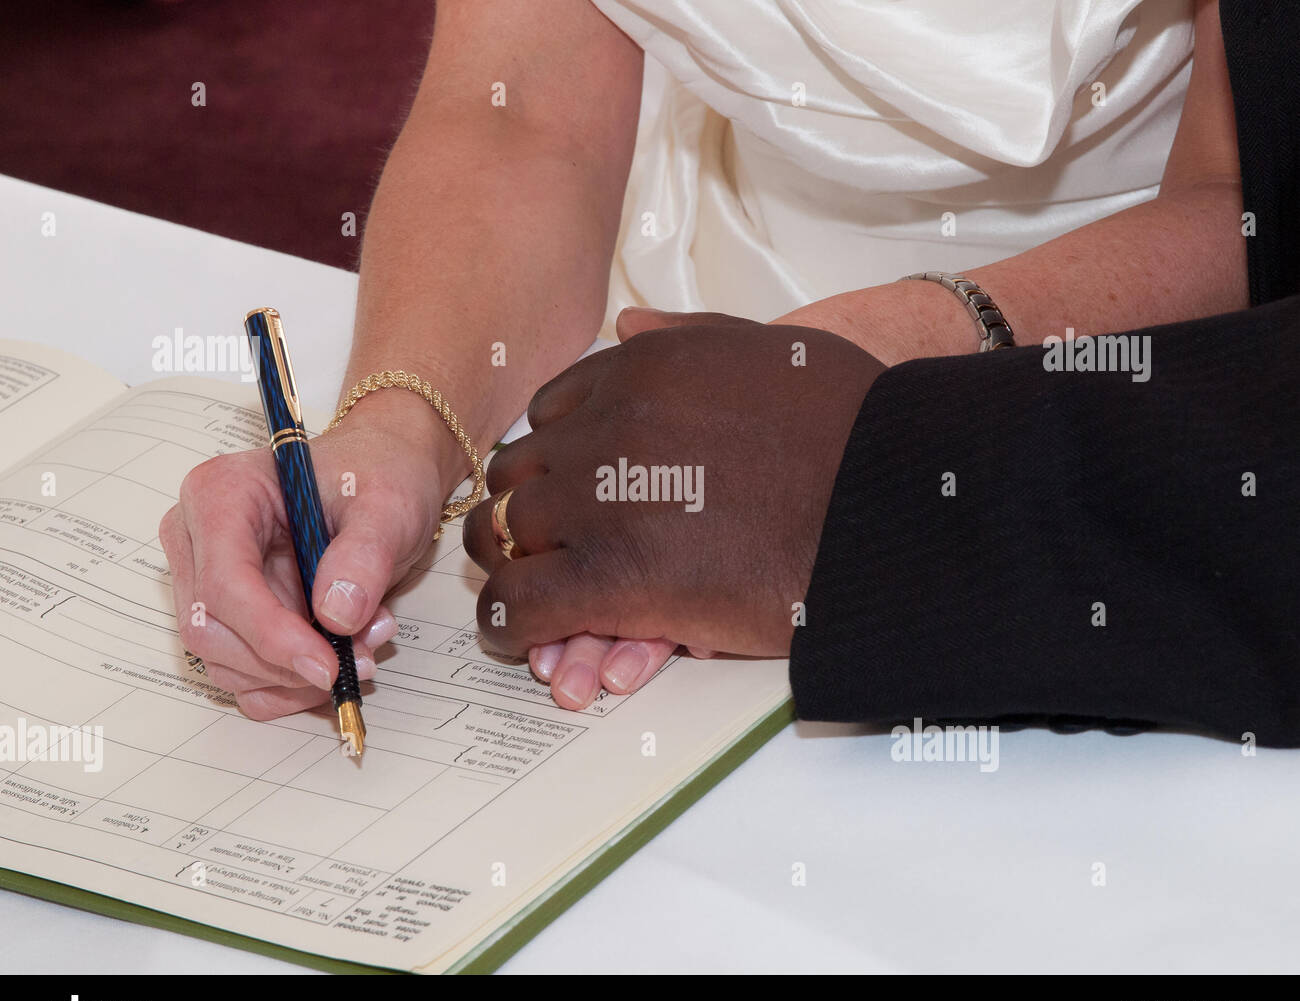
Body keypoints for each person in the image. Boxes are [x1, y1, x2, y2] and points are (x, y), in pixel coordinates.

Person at [161, 0, 1297, 740]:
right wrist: (401, 430)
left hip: (1124, 401)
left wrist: (842, 422)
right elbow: (523, 112)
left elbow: (1236, 201)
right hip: (671, 316)